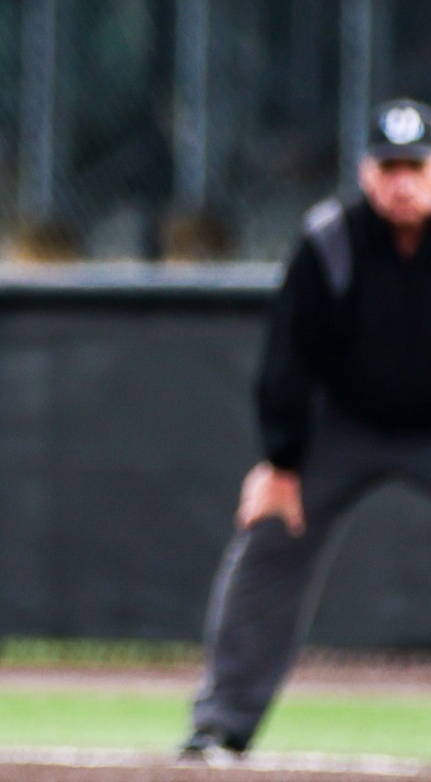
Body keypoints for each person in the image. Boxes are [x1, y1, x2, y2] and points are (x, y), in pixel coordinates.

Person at [181, 98, 431, 761]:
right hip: (345, 427)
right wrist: (282, 462)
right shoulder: (332, 238)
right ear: (366, 173)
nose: (403, 181)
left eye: (416, 166)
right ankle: (221, 724)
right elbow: (291, 352)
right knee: (269, 533)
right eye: (389, 167)